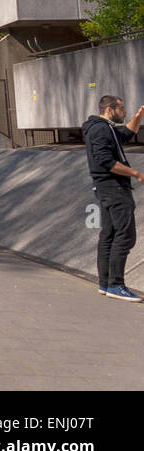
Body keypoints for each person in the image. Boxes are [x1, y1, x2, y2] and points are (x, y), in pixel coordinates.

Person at [84, 94, 144, 300]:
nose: (124, 112)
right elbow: (105, 161)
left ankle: (106, 284)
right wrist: (135, 173)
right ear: (110, 109)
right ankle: (116, 285)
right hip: (114, 189)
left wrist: (138, 116)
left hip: (105, 189)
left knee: (109, 234)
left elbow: (126, 134)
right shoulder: (101, 130)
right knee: (125, 236)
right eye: (122, 108)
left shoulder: (103, 128)